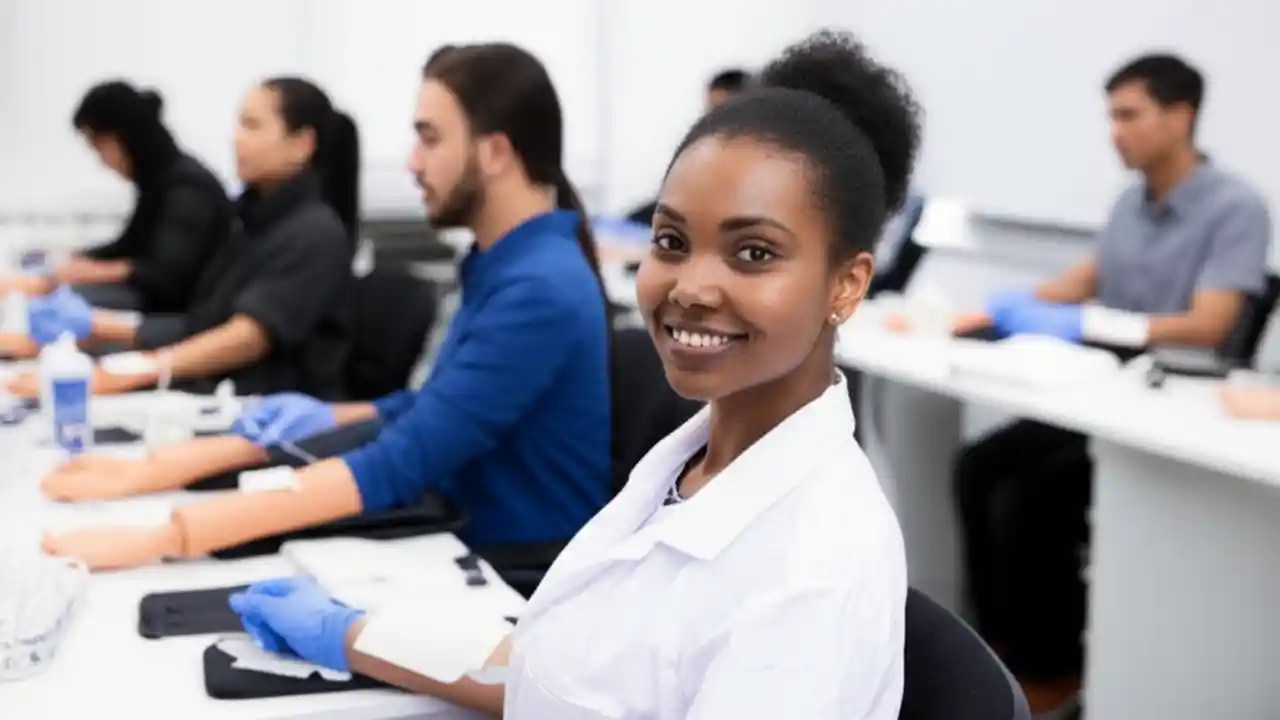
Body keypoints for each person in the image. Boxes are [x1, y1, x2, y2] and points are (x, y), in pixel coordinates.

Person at [222, 31, 920, 718]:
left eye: (754, 253)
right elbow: (558, 674)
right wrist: (353, 638)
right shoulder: (692, 466)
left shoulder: (816, 571)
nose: (692, 287)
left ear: (847, 285)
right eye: (672, 241)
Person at [41, 44, 612, 572]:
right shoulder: (508, 264)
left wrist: (165, 537)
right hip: (453, 532)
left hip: (504, 568)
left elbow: (404, 458)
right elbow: (428, 409)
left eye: (430, 139)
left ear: (494, 152)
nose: (413, 163)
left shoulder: (540, 287)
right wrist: (169, 467)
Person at [955, 54, 1272, 714]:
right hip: (1099, 395)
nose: (1114, 131)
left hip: (1165, 404)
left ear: (1180, 115)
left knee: (1035, 497)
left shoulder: (1235, 206)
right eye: (1110, 116)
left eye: (1128, 115)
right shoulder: (1130, 202)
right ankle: (1000, 647)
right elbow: (1083, 280)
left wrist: (1093, 322)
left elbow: (1211, 324)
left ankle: (1055, 672)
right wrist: (998, 306)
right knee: (980, 466)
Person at [5, 77, 358, 399]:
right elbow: (201, 321)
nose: (236, 138)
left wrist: (129, 372)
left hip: (263, 408)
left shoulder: (315, 233)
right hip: (216, 386)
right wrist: (95, 330)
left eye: (252, 125)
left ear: (302, 144)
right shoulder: (252, 221)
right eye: (239, 124)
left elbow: (245, 339)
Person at [0, 82, 232, 312]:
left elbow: (165, 276)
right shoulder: (159, 180)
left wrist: (89, 272)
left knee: (55, 303)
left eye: (98, 148)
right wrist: (81, 258)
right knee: (49, 292)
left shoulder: (188, 188)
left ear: (122, 138)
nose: (101, 161)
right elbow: (129, 245)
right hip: (156, 299)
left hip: (180, 309)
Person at [626, 68, 753, 226]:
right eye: (710, 108)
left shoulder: (754, 153)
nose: (713, 116)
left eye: (721, 109)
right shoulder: (704, 144)